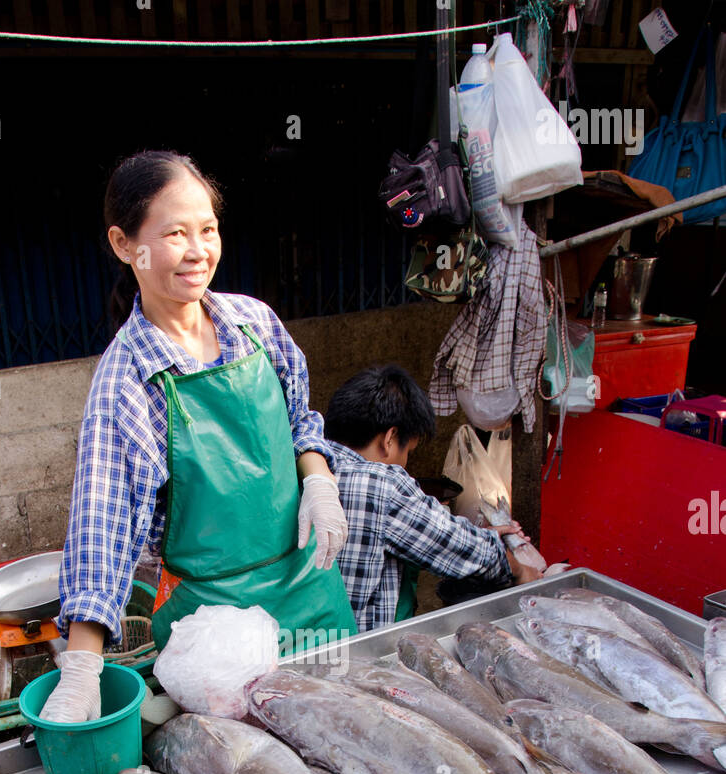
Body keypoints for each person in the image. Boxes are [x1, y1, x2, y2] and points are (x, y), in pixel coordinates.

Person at [42, 150, 356, 721]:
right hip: (219, 632)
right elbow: (101, 523)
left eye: (208, 229)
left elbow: (299, 421)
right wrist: (83, 668)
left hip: (312, 593)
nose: (198, 251)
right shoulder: (128, 378)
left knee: (349, 746)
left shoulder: (254, 323)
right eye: (175, 233)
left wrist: (318, 480)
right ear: (123, 244)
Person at [324, 365, 542, 632]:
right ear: (390, 439)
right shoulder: (381, 483)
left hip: (306, 641)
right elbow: (464, 550)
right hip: (358, 652)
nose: (405, 463)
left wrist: (476, 532)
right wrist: (519, 569)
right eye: (409, 452)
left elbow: (426, 534)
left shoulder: (305, 463)